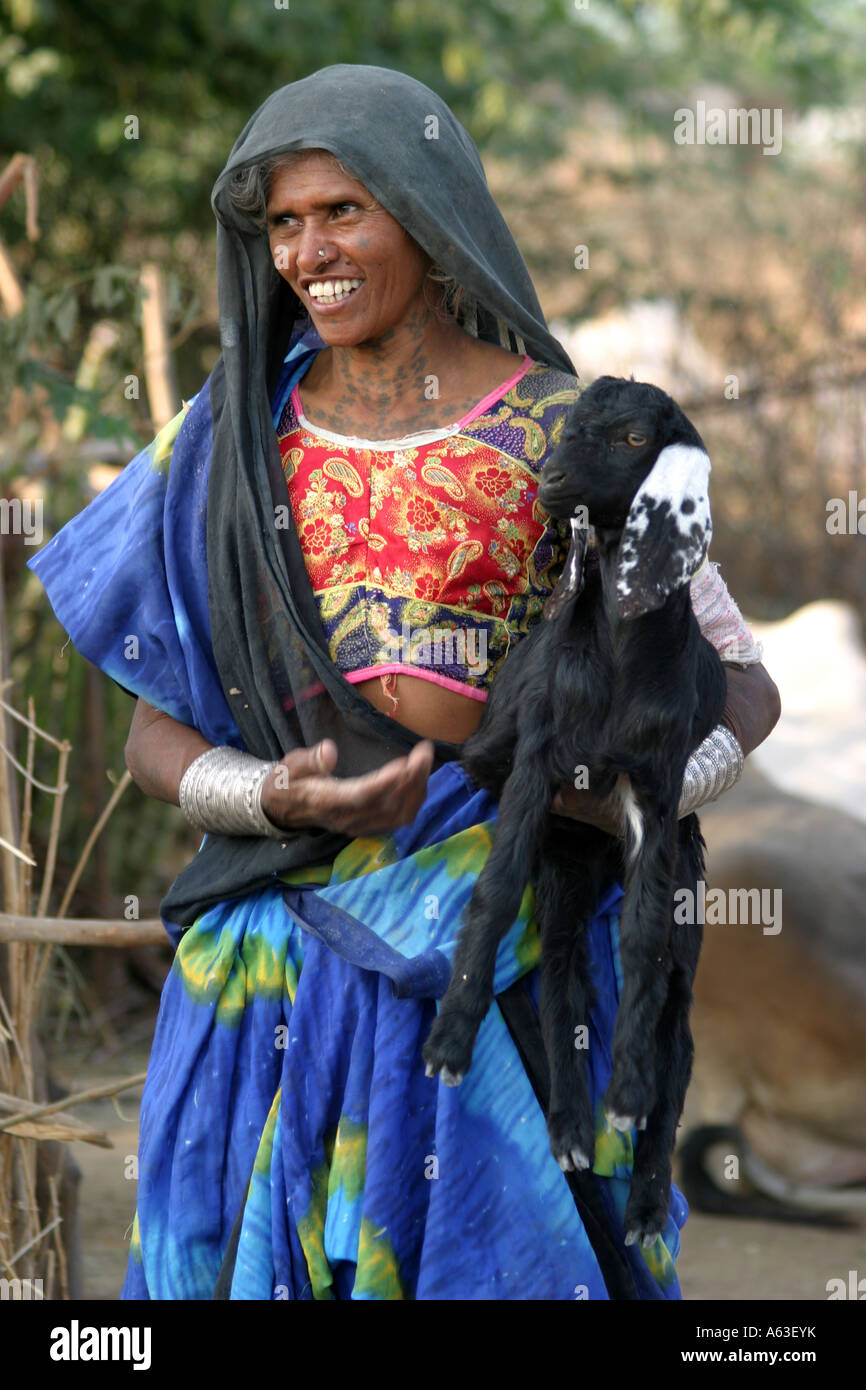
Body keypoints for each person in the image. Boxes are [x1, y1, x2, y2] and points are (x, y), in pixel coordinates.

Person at [29, 64, 780, 1301]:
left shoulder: (571, 430)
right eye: (280, 222)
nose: (306, 249)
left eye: (342, 212)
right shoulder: (227, 454)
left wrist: (638, 799)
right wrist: (275, 796)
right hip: (266, 958)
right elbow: (150, 742)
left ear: (426, 219)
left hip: (503, 939)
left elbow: (740, 683)